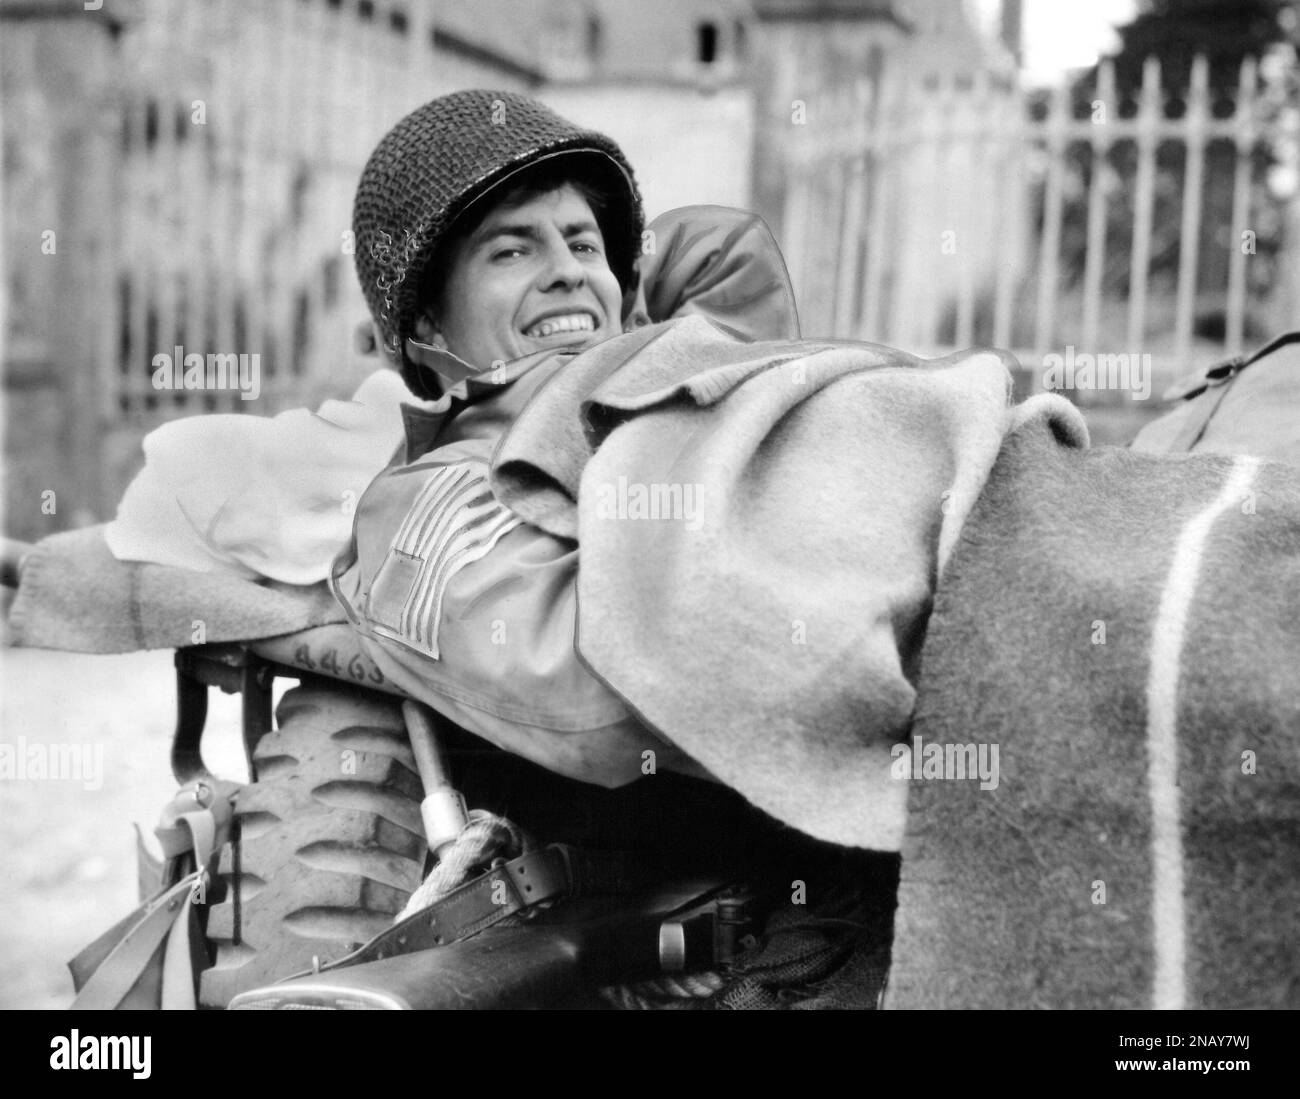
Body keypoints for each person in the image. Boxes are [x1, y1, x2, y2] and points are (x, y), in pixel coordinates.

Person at [332, 89, 802, 787]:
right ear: (428, 325)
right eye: (512, 250)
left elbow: (724, 251)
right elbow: (597, 696)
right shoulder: (435, 495)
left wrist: (621, 340)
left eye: (583, 243)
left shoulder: (675, 375)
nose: (569, 270)